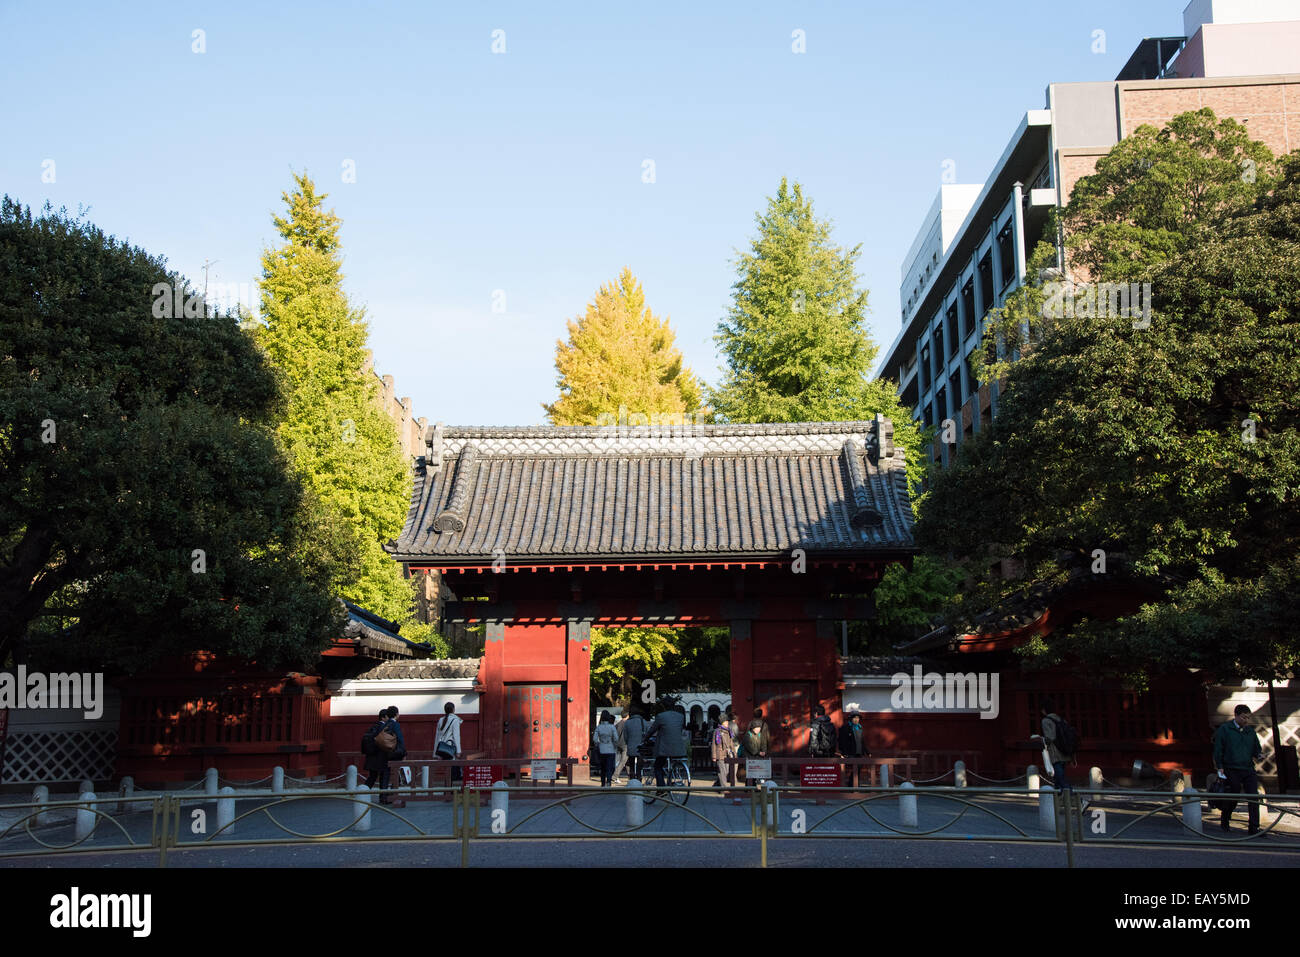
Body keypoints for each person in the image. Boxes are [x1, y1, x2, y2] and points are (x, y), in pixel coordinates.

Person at [1213, 704, 1263, 834]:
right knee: (1233, 795)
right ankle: (1226, 817)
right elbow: (1218, 749)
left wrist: (1259, 754)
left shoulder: (1250, 731)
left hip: (1248, 768)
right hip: (1231, 767)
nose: (1246, 720)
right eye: (1243, 717)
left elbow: (1256, 748)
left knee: (1253, 797)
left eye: (1248, 718)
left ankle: (1254, 827)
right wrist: (1220, 766)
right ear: (1236, 715)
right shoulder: (1225, 729)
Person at [1031, 698, 1073, 792]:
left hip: (1055, 752)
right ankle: (1059, 799)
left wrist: (1039, 738)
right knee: (1059, 777)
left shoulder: (1046, 721)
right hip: (1065, 750)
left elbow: (1050, 738)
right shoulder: (1061, 719)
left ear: (1043, 709)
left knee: (1060, 777)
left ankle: (1073, 797)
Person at [647, 703, 687, 788]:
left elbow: (652, 730)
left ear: (664, 706)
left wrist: (645, 738)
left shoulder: (661, 716)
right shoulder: (681, 716)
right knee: (672, 763)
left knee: (657, 766)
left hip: (664, 747)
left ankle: (661, 789)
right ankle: (672, 777)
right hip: (678, 746)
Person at [363, 709, 397, 804]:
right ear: (383, 717)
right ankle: (383, 797)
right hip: (382, 757)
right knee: (384, 776)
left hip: (372, 757)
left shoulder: (373, 726)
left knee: (372, 777)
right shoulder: (384, 727)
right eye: (387, 717)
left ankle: (361, 793)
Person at [435, 701, 463, 783]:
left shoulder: (441, 720)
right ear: (453, 710)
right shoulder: (455, 720)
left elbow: (437, 736)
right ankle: (449, 791)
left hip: (442, 748)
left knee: (447, 769)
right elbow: (456, 736)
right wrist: (458, 751)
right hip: (450, 748)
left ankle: (446, 790)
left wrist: (436, 753)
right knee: (452, 770)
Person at [621, 708, 649, 780]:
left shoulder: (627, 722)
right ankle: (639, 777)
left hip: (631, 745)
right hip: (641, 746)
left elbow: (625, 735)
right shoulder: (644, 722)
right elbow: (647, 733)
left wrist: (628, 742)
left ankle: (632, 776)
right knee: (639, 764)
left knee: (631, 764)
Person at [593, 710, 619, 787]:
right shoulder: (612, 727)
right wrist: (614, 745)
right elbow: (616, 739)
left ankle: (603, 783)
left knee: (603, 767)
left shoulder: (599, 727)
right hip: (611, 749)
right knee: (610, 767)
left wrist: (599, 743)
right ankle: (609, 781)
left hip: (602, 749)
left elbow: (594, 739)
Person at [711, 712, 736, 787]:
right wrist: (714, 756)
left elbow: (731, 743)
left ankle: (717, 784)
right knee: (722, 772)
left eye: (727, 721)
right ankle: (723, 788)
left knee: (727, 772)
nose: (727, 722)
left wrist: (734, 753)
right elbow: (714, 744)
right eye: (725, 721)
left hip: (727, 754)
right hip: (720, 754)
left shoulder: (729, 731)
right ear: (722, 722)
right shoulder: (717, 731)